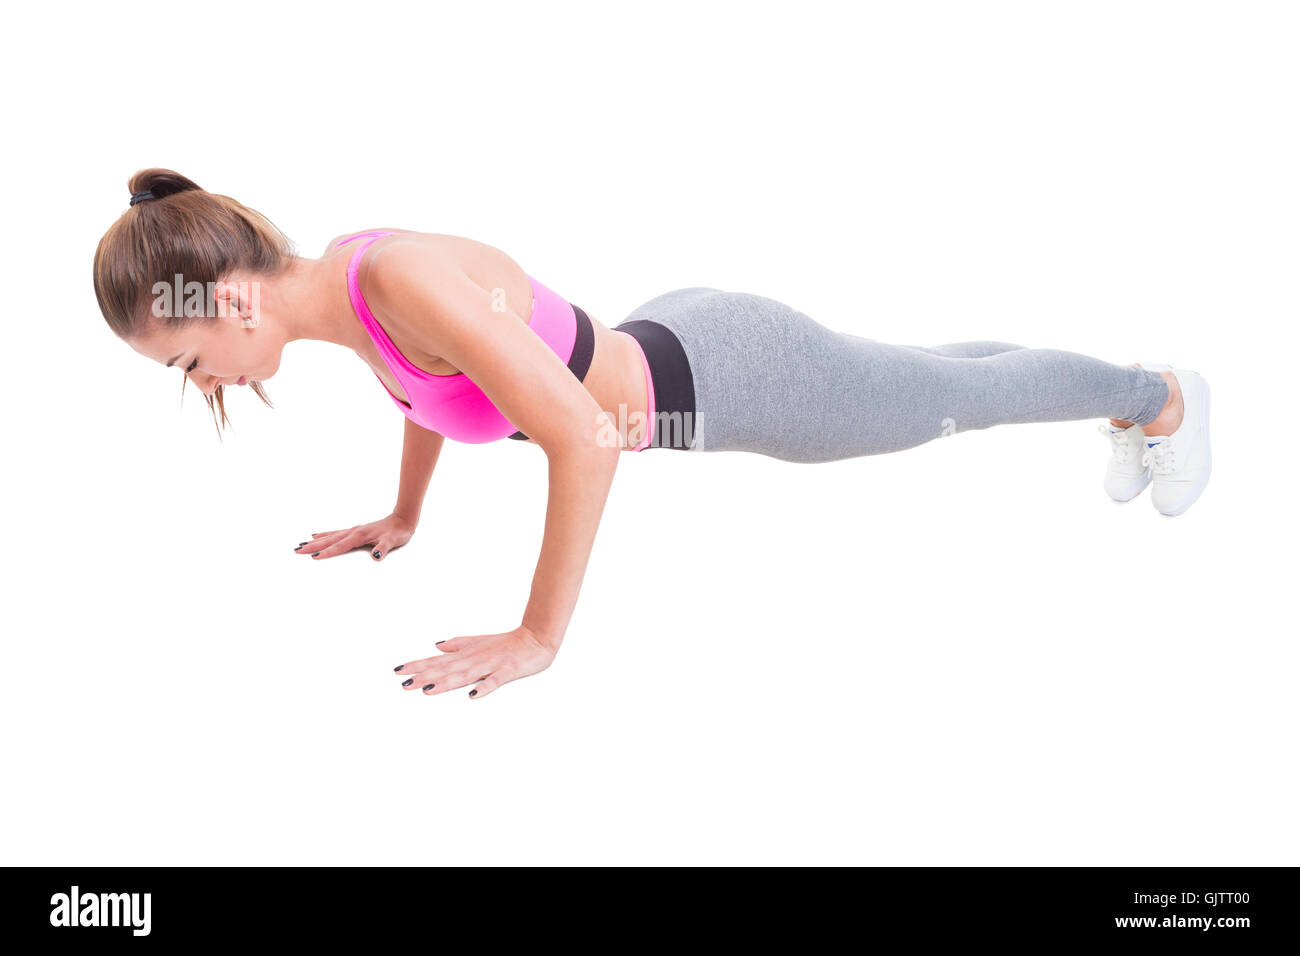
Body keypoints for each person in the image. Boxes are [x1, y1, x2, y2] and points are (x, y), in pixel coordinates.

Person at [93, 169, 1212, 700]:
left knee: (943, 400)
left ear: (224, 305)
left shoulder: (393, 273)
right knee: (928, 376)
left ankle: (1155, 393)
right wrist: (404, 514)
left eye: (185, 363)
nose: (203, 384)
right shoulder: (347, 283)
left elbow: (580, 433)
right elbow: (433, 385)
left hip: (727, 381)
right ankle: (1114, 390)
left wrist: (538, 636)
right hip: (680, 342)